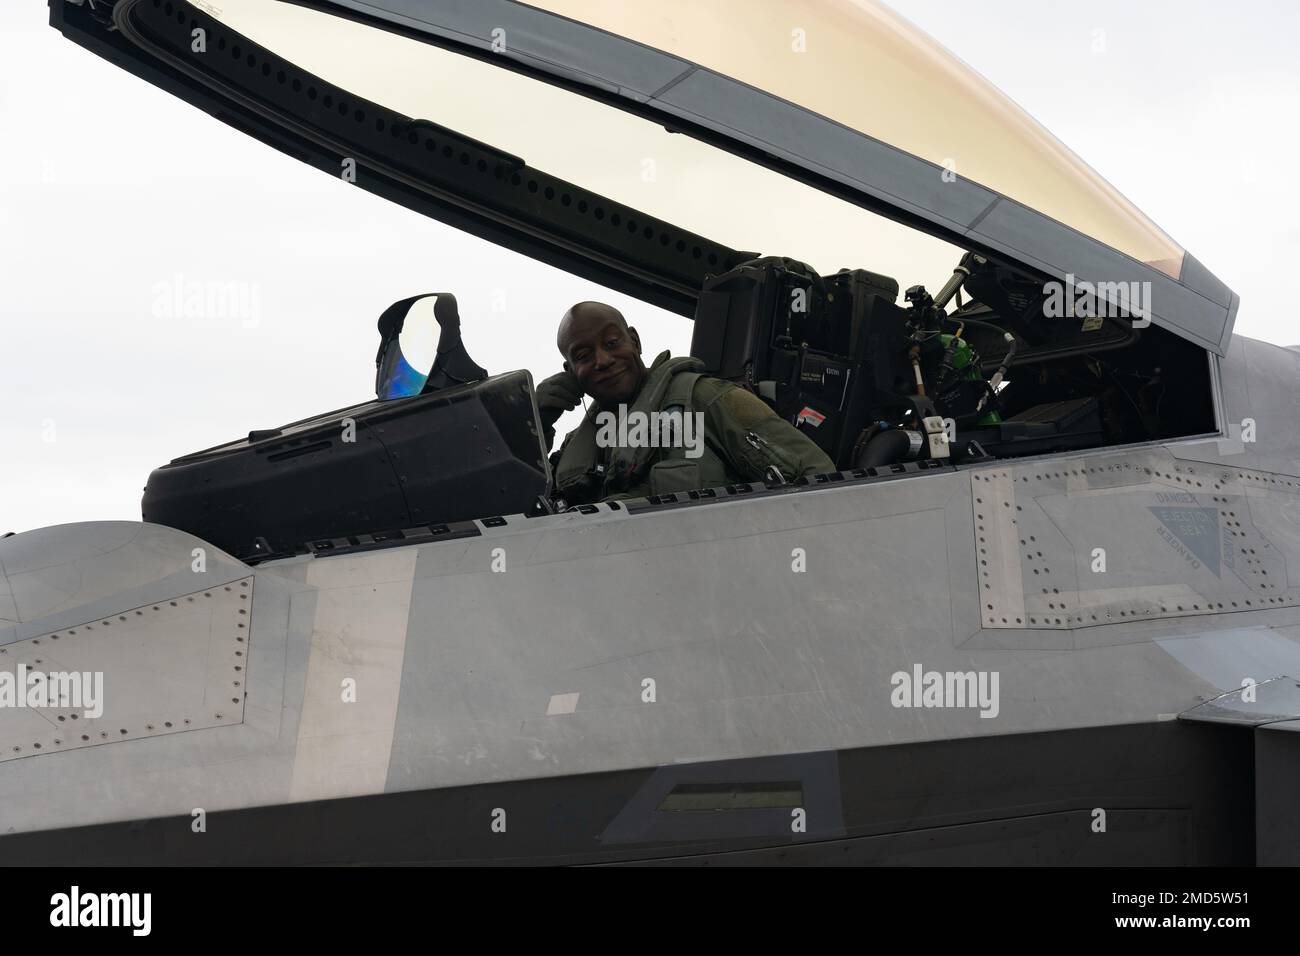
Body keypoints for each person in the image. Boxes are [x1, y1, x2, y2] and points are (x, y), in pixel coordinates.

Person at [535, 301, 835, 505]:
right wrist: (534, 423)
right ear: (570, 372)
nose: (603, 360)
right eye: (584, 356)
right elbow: (519, 515)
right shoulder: (578, 447)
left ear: (635, 342)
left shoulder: (706, 399)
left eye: (612, 343)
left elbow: (818, 477)